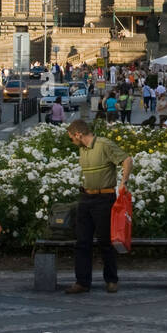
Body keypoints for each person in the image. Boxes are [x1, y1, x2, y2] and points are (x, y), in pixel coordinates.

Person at [64, 119, 132, 294]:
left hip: (104, 198)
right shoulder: (83, 149)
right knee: (82, 241)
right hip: (86, 197)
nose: (72, 141)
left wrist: (123, 183)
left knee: (105, 241)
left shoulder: (103, 145)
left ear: (78, 134)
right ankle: (82, 282)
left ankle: (111, 279)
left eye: (72, 137)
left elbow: (127, 160)